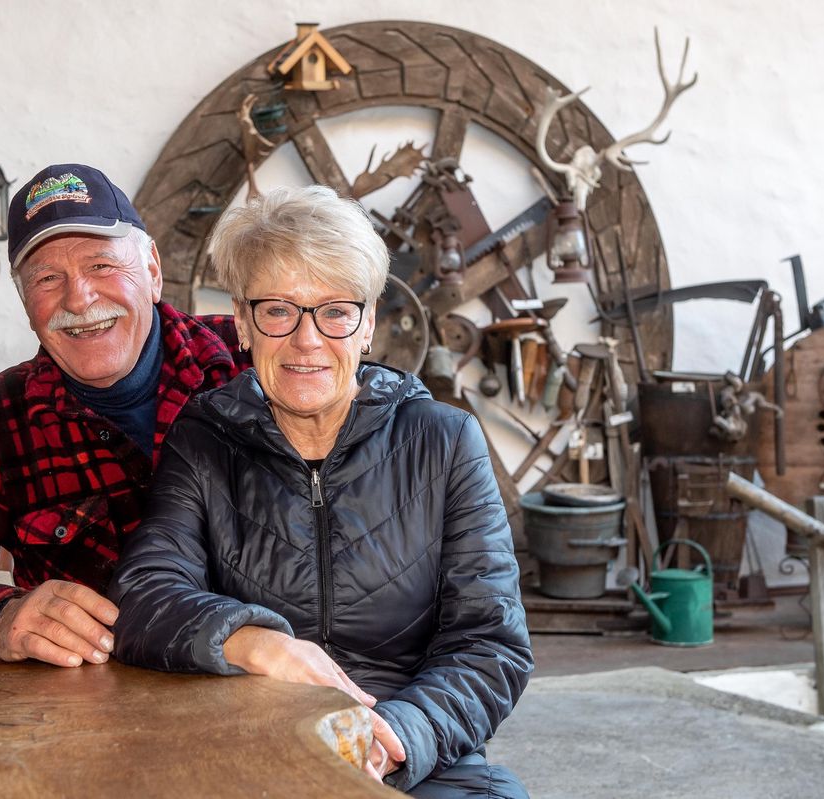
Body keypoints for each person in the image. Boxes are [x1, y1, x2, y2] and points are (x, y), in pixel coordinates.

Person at [109, 185, 532, 796]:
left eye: (336, 310)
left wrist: (395, 736)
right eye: (278, 309)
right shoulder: (204, 440)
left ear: (369, 326)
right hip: (248, 751)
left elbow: (491, 645)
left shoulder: (444, 441)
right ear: (243, 324)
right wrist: (251, 640)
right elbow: (145, 595)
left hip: (418, 755)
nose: (307, 340)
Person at [0, 164, 248, 668]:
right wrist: (0, 619)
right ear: (25, 304)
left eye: (102, 266)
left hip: (277, 684)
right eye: (47, 278)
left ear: (152, 269)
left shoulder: (251, 362)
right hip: (98, 715)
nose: (79, 298)